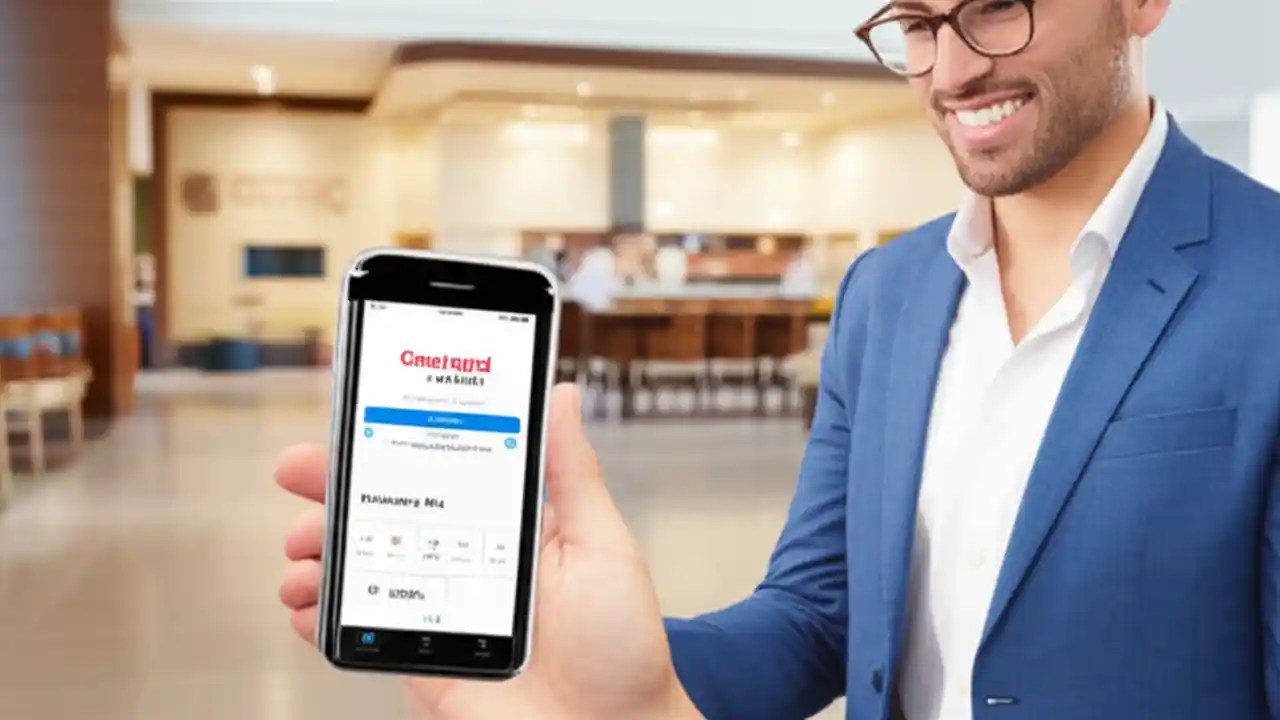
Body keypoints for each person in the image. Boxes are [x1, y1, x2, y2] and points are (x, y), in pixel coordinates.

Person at [277, 0, 1280, 717]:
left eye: (996, 8)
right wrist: (611, 667)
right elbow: (816, 617)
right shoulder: (884, 294)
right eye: (918, 26)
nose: (950, 69)